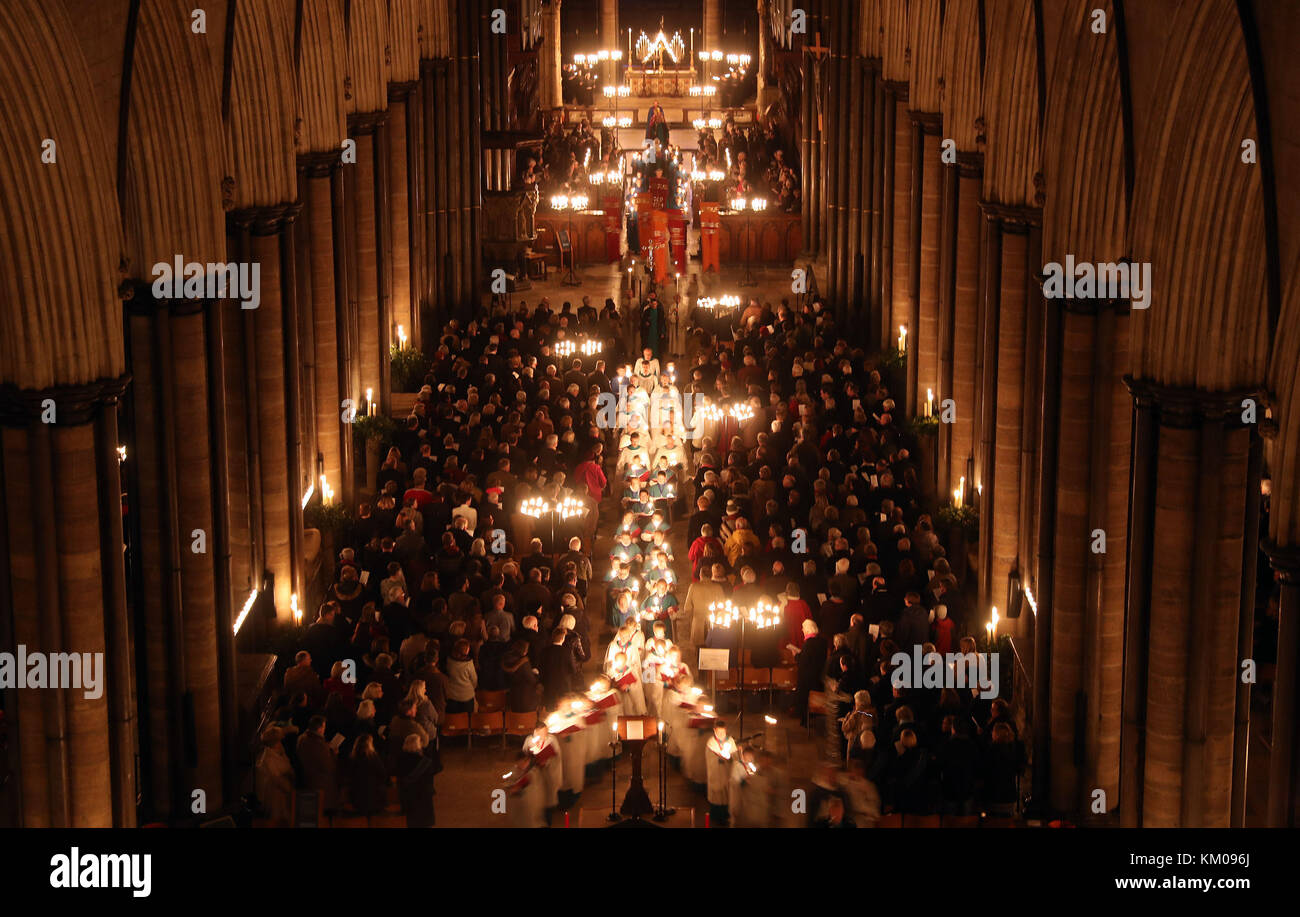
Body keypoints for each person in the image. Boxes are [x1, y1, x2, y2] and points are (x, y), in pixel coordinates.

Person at [395, 734, 438, 828]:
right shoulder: (424, 762)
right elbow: (436, 769)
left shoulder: (401, 760)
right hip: (423, 796)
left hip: (409, 796)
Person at [347, 733, 388, 816]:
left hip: (358, 795)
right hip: (373, 794)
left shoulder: (353, 757)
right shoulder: (373, 757)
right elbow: (382, 773)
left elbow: (350, 774)